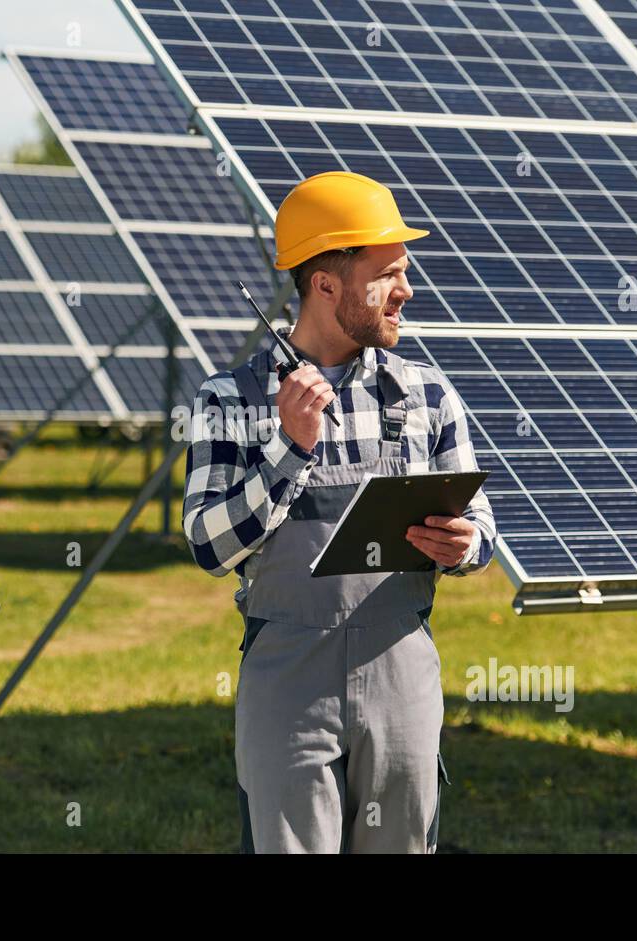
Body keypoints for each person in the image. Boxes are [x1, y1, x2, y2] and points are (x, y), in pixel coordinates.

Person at [182, 171, 497, 854]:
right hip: (287, 674)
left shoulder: (427, 395)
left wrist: (465, 542)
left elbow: (483, 525)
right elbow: (208, 546)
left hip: (401, 667)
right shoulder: (227, 400)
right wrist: (288, 452)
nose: (407, 291)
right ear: (326, 284)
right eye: (388, 275)